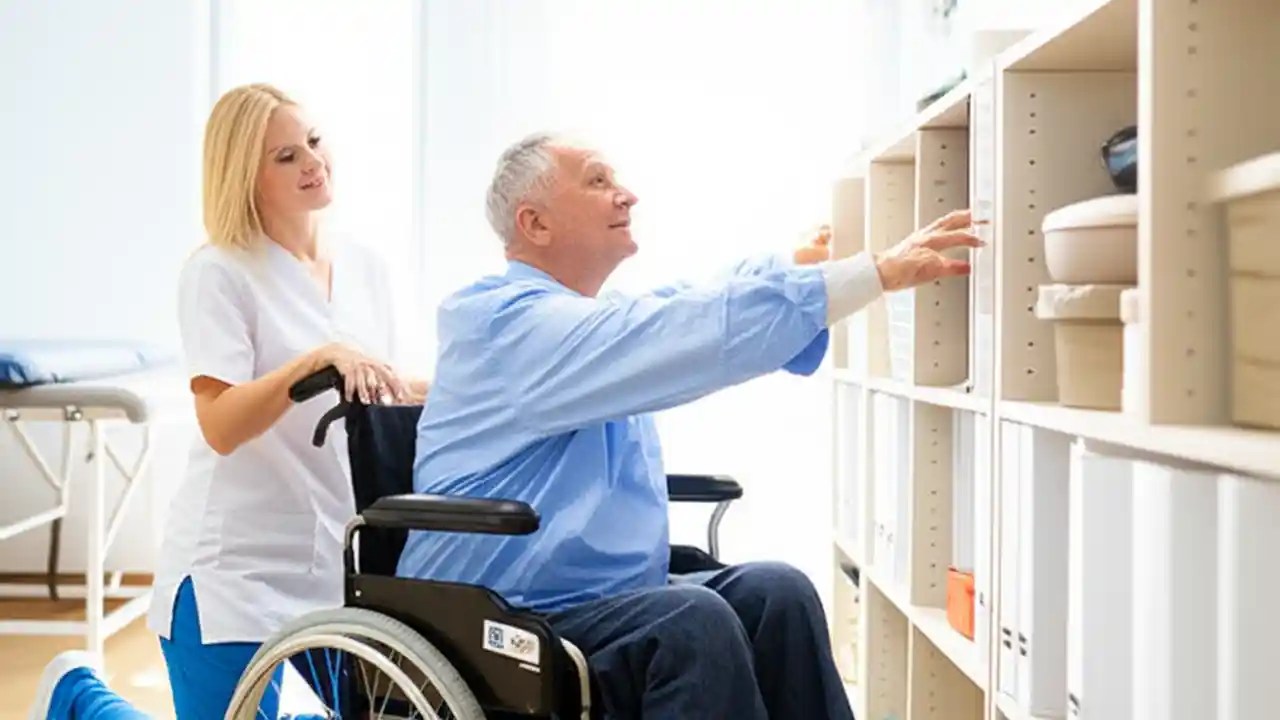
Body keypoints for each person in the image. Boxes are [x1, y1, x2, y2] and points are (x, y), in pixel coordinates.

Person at [396, 131, 980, 719]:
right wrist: (870, 274)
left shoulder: (589, 320)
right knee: (694, 623)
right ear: (535, 223)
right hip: (498, 613)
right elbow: (681, 329)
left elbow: (691, 300)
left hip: (601, 599)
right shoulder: (503, 325)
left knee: (779, 593)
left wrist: (789, 267)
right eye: (598, 180)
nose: (627, 196)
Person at [29, 82, 426, 720]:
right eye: (285, 156)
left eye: (315, 143)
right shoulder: (220, 271)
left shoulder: (366, 268)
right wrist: (311, 363)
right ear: (245, 173)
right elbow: (219, 423)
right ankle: (80, 700)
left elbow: (383, 385)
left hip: (332, 562)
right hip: (233, 571)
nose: (313, 162)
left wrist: (485, 387)